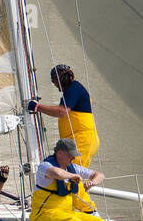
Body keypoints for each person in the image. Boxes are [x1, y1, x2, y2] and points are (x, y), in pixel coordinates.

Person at [29, 64, 100, 212]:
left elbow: (62, 112)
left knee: (73, 173)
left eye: (55, 81)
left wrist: (38, 107)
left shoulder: (73, 89)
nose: (55, 85)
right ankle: (77, 206)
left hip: (82, 138)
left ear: (60, 78)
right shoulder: (72, 90)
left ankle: (87, 210)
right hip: (82, 138)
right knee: (72, 174)